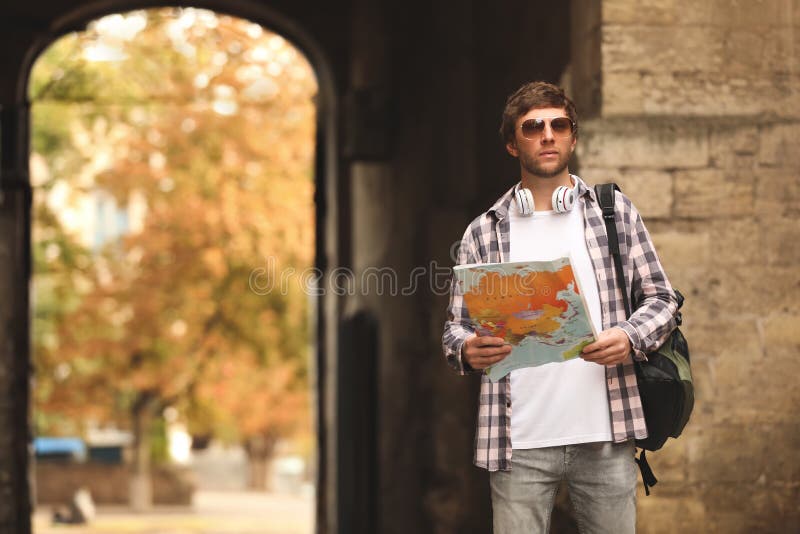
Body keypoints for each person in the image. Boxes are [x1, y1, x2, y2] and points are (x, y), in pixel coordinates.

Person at [442, 81, 679, 533]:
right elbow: (455, 328)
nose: (547, 135)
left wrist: (629, 336)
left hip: (606, 436)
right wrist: (467, 349)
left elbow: (663, 299)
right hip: (518, 444)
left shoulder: (614, 213)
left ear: (572, 137)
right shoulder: (483, 233)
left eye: (559, 125)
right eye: (533, 127)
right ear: (514, 144)